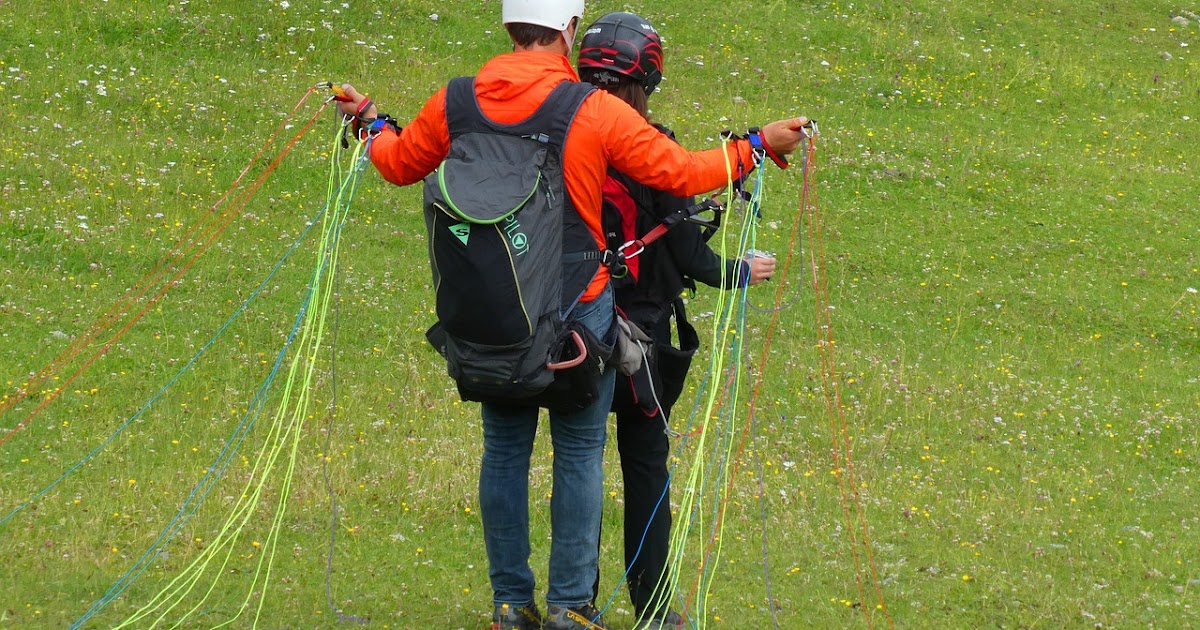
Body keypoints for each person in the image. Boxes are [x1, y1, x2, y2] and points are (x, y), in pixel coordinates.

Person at [334, 1, 808, 628]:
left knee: (504, 451)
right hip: (578, 315)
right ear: (568, 31)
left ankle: (510, 605)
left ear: (509, 28)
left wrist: (370, 121)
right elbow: (685, 172)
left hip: (493, 315)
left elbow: (397, 165)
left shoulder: (454, 100)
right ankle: (569, 608)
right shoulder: (592, 109)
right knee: (579, 451)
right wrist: (755, 146)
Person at [576, 12, 778, 630]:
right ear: (649, 80)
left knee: (576, 460)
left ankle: (572, 600)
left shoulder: (561, 140)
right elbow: (692, 257)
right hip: (641, 346)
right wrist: (742, 270)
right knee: (645, 467)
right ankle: (654, 613)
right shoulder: (650, 148)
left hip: (571, 334)